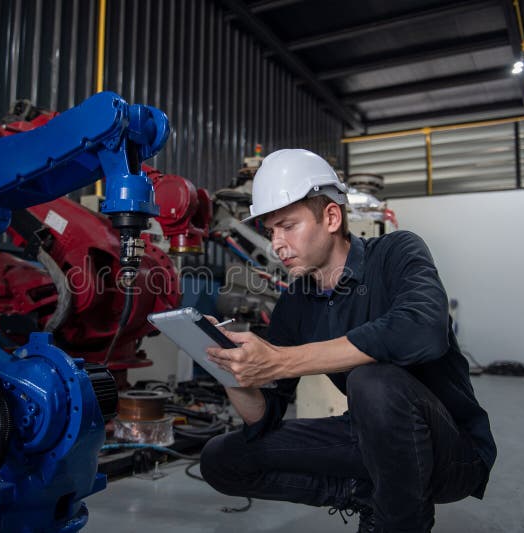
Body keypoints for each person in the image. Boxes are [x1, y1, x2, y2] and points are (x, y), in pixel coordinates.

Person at [200, 149, 495, 533]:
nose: (277, 244)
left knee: (371, 380)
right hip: (367, 438)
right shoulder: (297, 299)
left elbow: (423, 329)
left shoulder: (396, 252)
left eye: (288, 226)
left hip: (451, 451)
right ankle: (365, 494)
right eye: (272, 231)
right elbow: (264, 417)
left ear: (332, 217)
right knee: (223, 458)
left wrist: (283, 360)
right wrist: (230, 368)